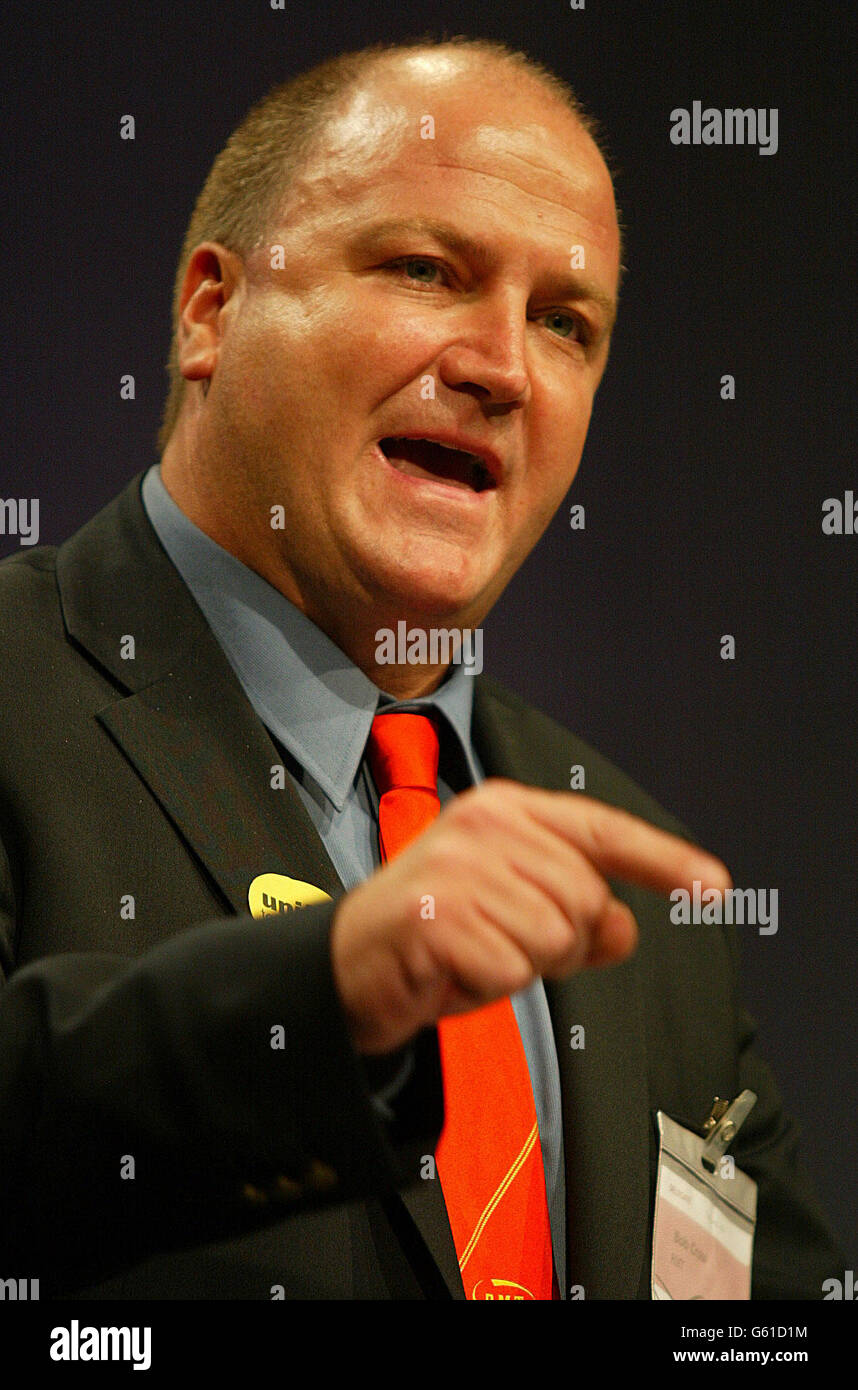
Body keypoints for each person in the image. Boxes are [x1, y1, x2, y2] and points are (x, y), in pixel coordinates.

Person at [0, 37, 842, 1300]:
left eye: (566, 323)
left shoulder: (634, 890)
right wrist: (328, 995)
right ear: (210, 313)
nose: (502, 368)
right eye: (426, 270)